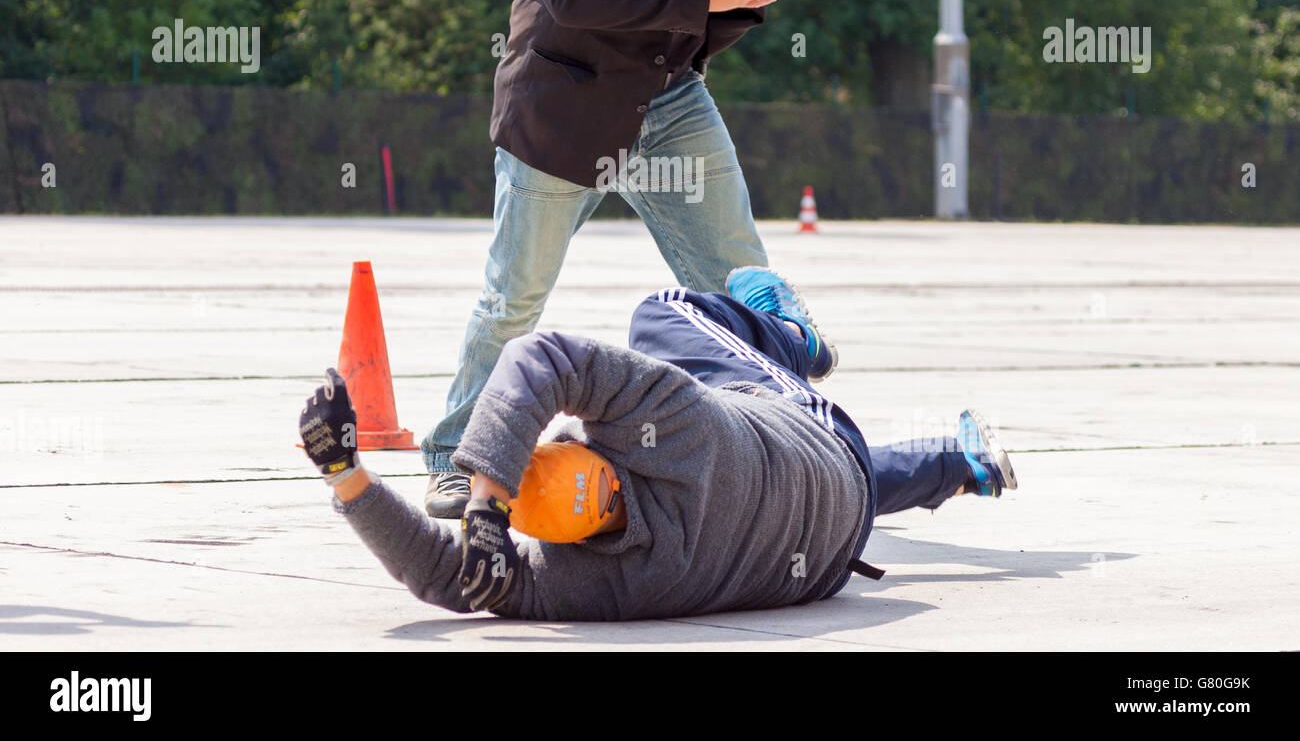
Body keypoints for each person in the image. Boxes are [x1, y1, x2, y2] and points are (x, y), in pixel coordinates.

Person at [421, 0, 832, 517]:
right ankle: (450, 457)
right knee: (516, 298)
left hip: (670, 94)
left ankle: (790, 452)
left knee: (744, 287)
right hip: (566, 108)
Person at [301, 268, 1018, 620]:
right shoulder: (678, 428)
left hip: (832, 546)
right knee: (662, 314)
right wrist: (484, 499)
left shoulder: (593, 583)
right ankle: (799, 341)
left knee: (822, 493)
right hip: (820, 437)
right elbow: (541, 356)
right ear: (590, 452)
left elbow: (444, 577)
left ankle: (965, 464)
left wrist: (347, 479)